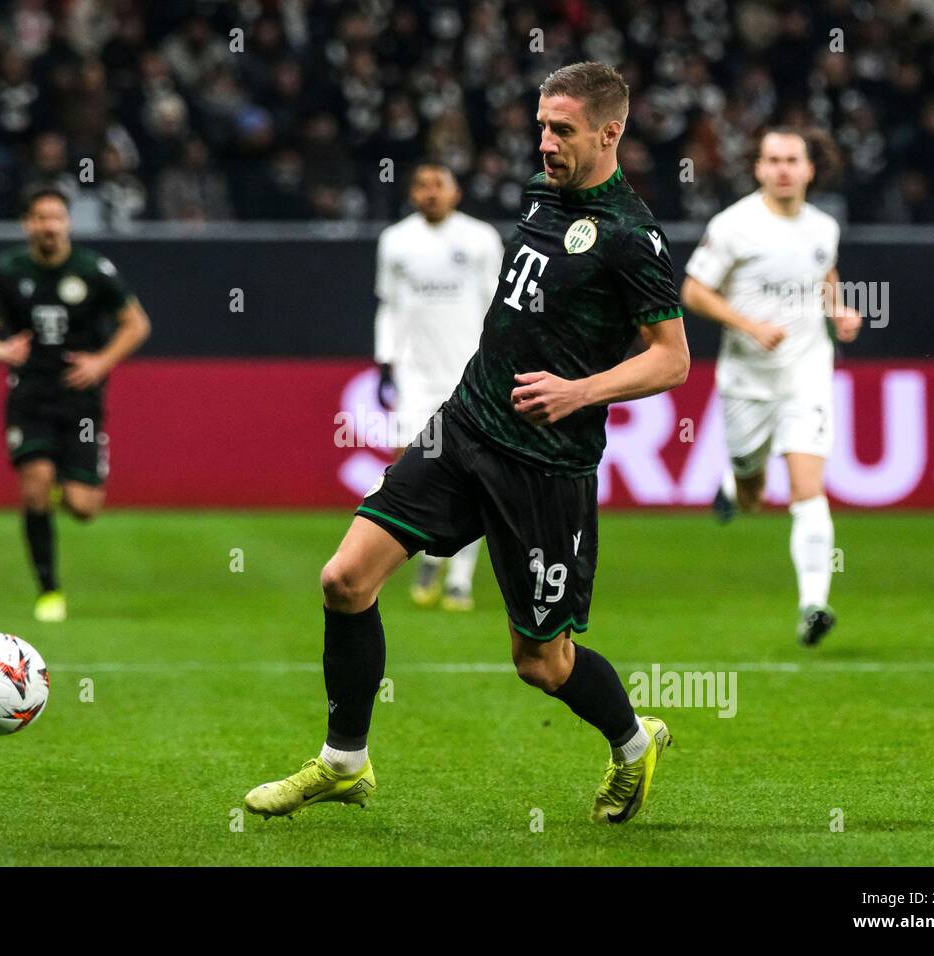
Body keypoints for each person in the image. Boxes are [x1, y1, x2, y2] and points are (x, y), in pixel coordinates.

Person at [246, 62, 689, 825]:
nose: (545, 142)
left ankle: (630, 743)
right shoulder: (542, 194)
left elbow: (672, 357)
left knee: (540, 663)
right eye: (542, 125)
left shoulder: (632, 237)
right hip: (466, 425)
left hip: (545, 467)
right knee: (345, 580)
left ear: (611, 132)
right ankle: (344, 763)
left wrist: (579, 391)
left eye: (564, 130)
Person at [681, 129, 862, 647]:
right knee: (755, 494)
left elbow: (824, 275)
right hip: (746, 383)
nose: (783, 169)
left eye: (792, 160)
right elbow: (693, 290)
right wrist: (749, 326)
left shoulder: (824, 226)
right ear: (759, 169)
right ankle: (732, 485)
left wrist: (838, 311)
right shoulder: (735, 226)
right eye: (773, 160)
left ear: (809, 169)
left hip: (806, 375)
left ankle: (813, 605)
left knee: (808, 490)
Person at [0, 185, 150, 622]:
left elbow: (136, 323)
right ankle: (49, 591)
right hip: (29, 394)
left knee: (84, 507)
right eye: (40, 218)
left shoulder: (92, 270)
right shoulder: (7, 270)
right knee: (34, 486)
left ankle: (59, 484)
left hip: (81, 400)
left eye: (56, 217)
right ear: (27, 223)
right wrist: (1, 351)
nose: (48, 225)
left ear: (67, 223)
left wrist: (102, 362)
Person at [374, 161, 504, 611]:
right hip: (414, 374)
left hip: (467, 374)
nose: (430, 193)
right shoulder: (395, 241)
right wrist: (385, 362)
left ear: (456, 192)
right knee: (412, 469)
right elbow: (388, 305)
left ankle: (460, 579)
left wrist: (499, 362)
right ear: (412, 194)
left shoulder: (482, 239)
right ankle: (429, 554)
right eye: (421, 185)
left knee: (475, 474)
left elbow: (497, 307)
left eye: (438, 185)